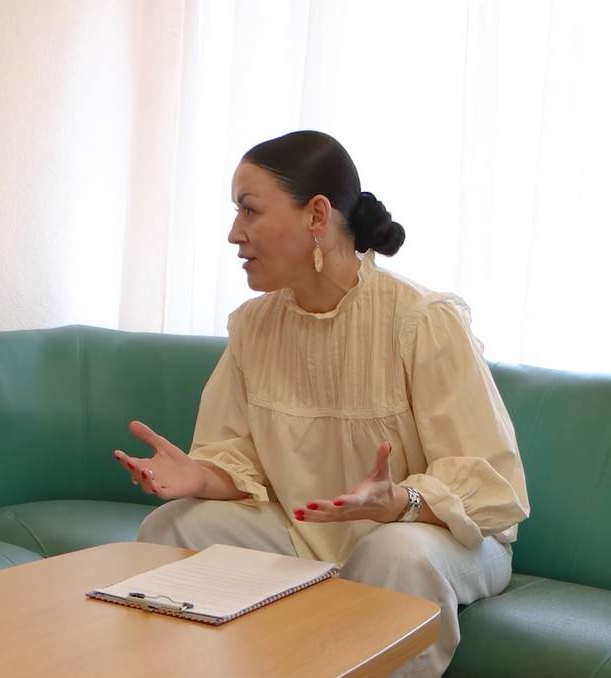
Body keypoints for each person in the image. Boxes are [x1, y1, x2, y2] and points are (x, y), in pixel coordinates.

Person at [113, 130, 529, 677]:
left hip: (440, 539)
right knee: (172, 527)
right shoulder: (254, 325)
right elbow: (243, 459)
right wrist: (202, 477)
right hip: (306, 531)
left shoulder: (422, 320)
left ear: (316, 216)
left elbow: (493, 489)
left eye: (249, 210)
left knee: (393, 553)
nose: (234, 233)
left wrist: (399, 501)